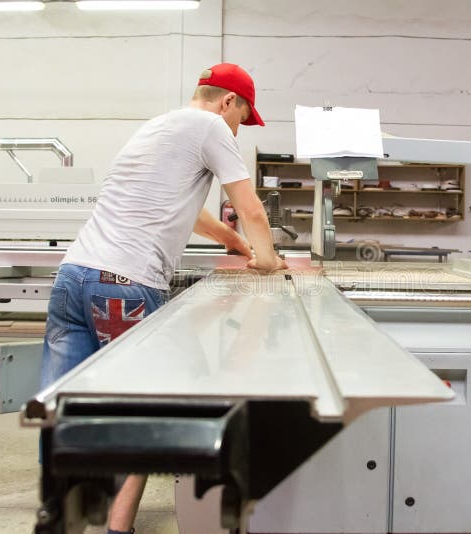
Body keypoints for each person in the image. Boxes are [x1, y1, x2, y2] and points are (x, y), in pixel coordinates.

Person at [39, 62, 287, 534]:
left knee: (65, 413)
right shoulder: (213, 126)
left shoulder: (157, 127)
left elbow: (191, 216)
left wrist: (235, 244)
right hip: (123, 284)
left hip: (72, 279)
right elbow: (249, 205)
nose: (239, 129)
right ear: (227, 102)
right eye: (243, 118)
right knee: (152, 407)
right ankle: (118, 528)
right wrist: (269, 259)